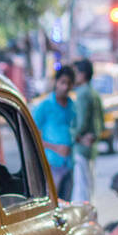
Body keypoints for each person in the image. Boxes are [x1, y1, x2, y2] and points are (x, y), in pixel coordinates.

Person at [33, 66, 78, 199]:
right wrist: (55, 148)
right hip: (50, 164)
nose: (65, 87)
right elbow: (32, 136)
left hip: (69, 163)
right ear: (56, 82)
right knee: (53, 202)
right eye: (62, 82)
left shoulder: (72, 106)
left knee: (66, 202)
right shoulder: (44, 105)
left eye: (69, 83)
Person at [72, 59, 104, 198]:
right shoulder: (94, 93)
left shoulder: (83, 93)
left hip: (82, 146)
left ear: (82, 74)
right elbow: (100, 123)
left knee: (81, 189)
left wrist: (74, 135)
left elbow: (81, 122)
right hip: (92, 146)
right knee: (88, 186)